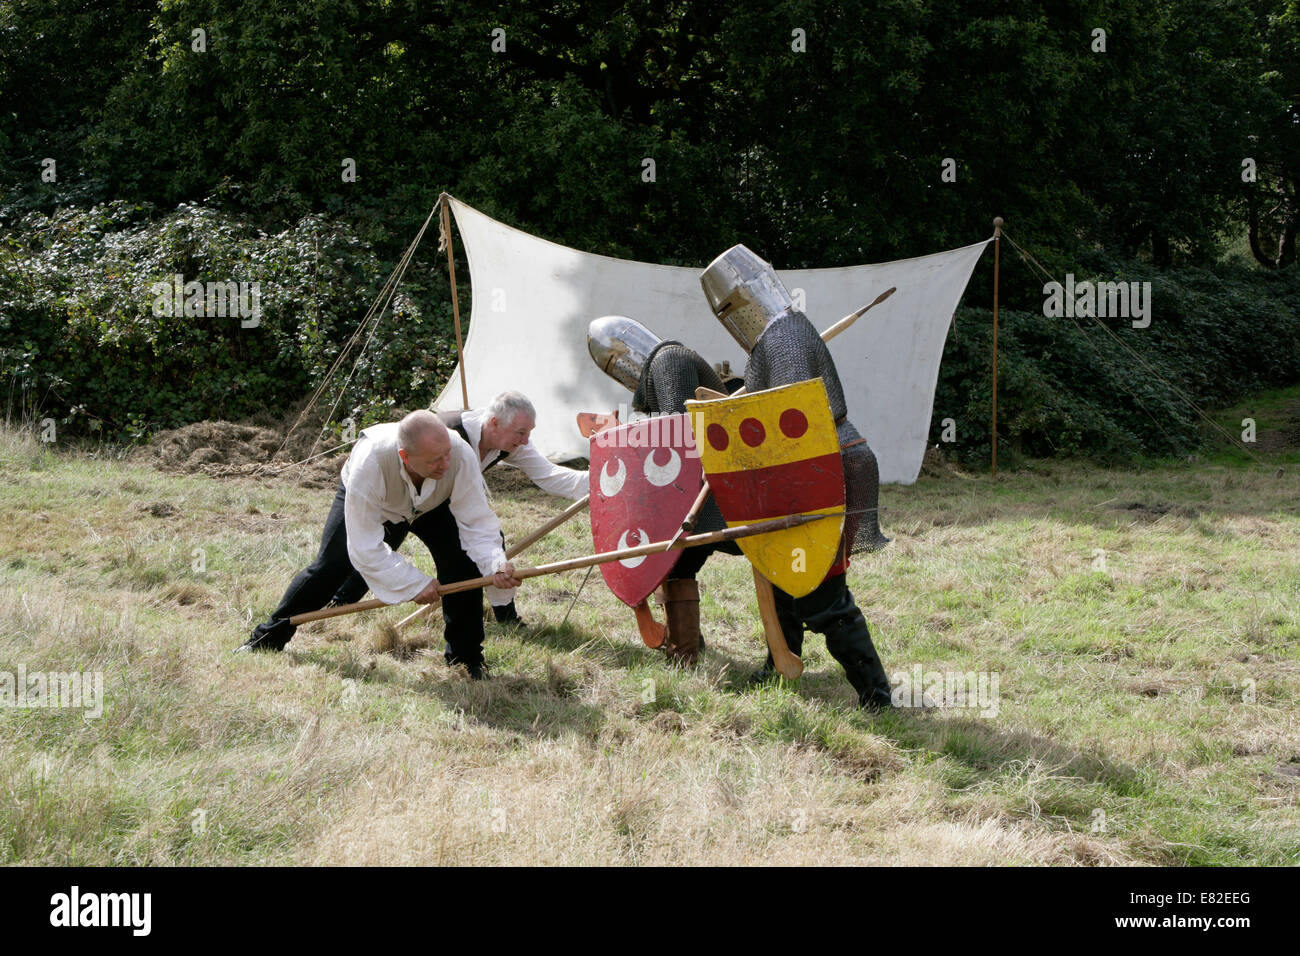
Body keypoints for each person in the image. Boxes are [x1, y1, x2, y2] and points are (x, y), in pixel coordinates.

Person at [700, 244, 894, 710]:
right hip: (819, 461)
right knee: (783, 569)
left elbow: (792, 425)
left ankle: (877, 696)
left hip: (823, 465)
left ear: (744, 297)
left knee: (822, 590)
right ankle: (778, 666)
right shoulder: (784, 332)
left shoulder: (782, 337)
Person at [236, 410, 521, 679]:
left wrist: (495, 563)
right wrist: (413, 582)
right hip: (381, 504)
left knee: (463, 564)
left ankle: (465, 659)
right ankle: (266, 637)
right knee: (331, 566)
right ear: (404, 456)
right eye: (435, 460)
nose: (445, 465)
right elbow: (364, 546)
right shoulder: (370, 462)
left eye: (447, 455)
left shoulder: (459, 453)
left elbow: (477, 521)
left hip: (432, 505)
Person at [330, 391, 587, 627]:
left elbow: (550, 476)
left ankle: (502, 615)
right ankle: (341, 602)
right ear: (495, 423)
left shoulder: (511, 443)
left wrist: (600, 480)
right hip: (404, 498)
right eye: (520, 432)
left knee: (480, 550)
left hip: (448, 502)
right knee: (379, 545)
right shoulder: (449, 432)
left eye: (527, 433)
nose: (525, 440)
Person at [587, 315, 741, 665]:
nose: (621, 369)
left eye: (619, 360)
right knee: (677, 565)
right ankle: (685, 647)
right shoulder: (669, 362)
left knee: (672, 562)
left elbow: (678, 435)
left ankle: (683, 655)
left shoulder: (670, 360)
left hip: (712, 491)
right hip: (707, 486)